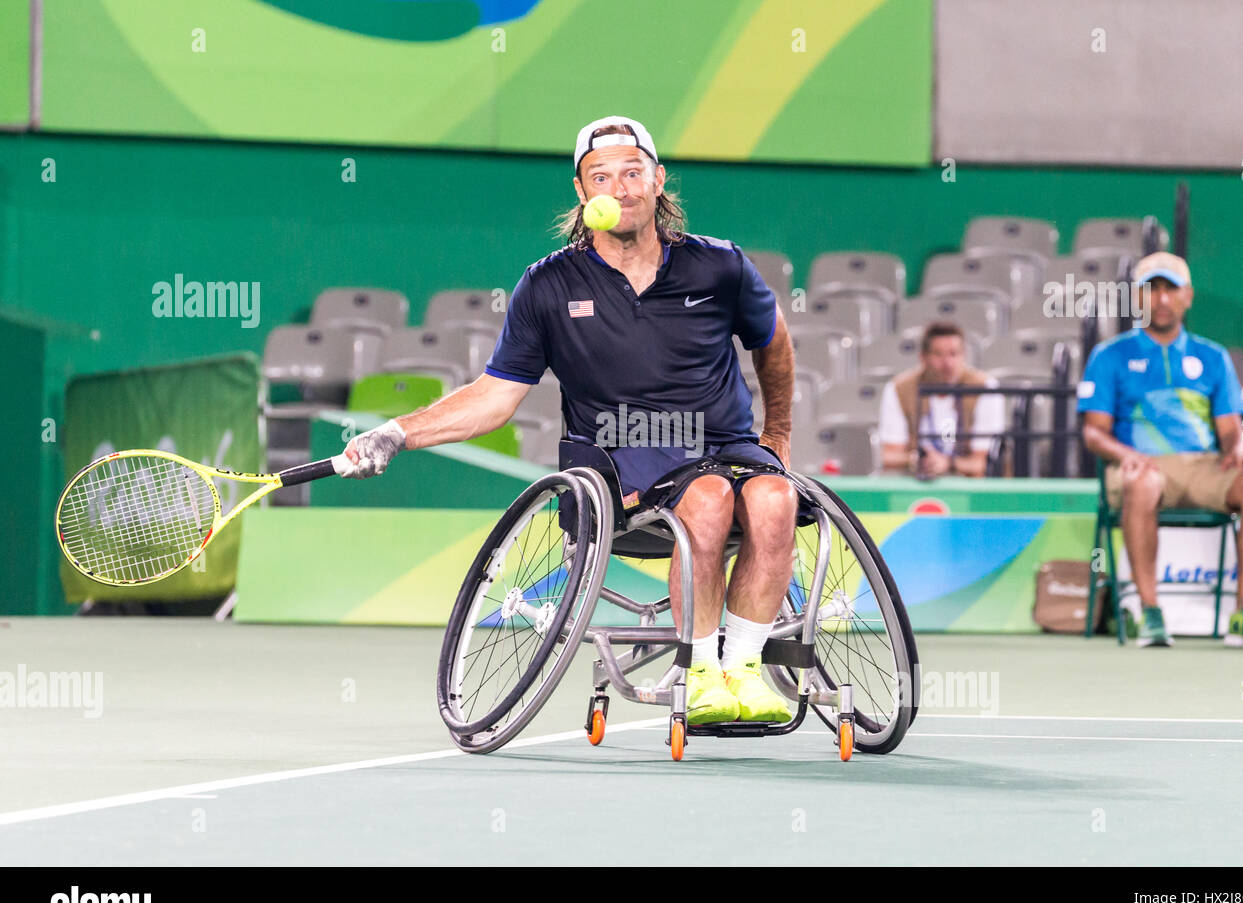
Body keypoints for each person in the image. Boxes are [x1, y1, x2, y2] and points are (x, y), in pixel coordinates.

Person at [337, 116, 801, 721]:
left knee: (775, 500)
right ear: (584, 195)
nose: (621, 188)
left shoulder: (721, 267)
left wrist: (780, 432)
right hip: (620, 455)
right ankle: (701, 673)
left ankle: (742, 670)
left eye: (633, 172)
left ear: (659, 181)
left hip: (725, 443)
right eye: (602, 176)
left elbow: (775, 343)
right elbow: (494, 397)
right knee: (709, 498)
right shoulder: (549, 285)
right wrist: (397, 432)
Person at [1079, 251, 1243, 648]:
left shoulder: (1212, 356)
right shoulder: (1110, 355)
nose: (1162, 299)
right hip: (1138, 466)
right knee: (1145, 483)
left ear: (1188, 296)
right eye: (1152, 290)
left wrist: (1239, 447)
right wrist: (1124, 455)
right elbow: (1093, 433)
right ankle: (1151, 614)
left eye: (1171, 289)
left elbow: (1230, 430)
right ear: (1137, 298)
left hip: (1203, 467)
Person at [878, 321, 1005, 477]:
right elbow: (889, 455)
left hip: (969, 486)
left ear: (964, 355)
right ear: (923, 357)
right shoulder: (899, 388)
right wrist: (915, 459)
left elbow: (983, 461)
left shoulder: (984, 387)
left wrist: (948, 463)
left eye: (954, 354)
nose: (948, 363)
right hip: (916, 483)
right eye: (938, 354)